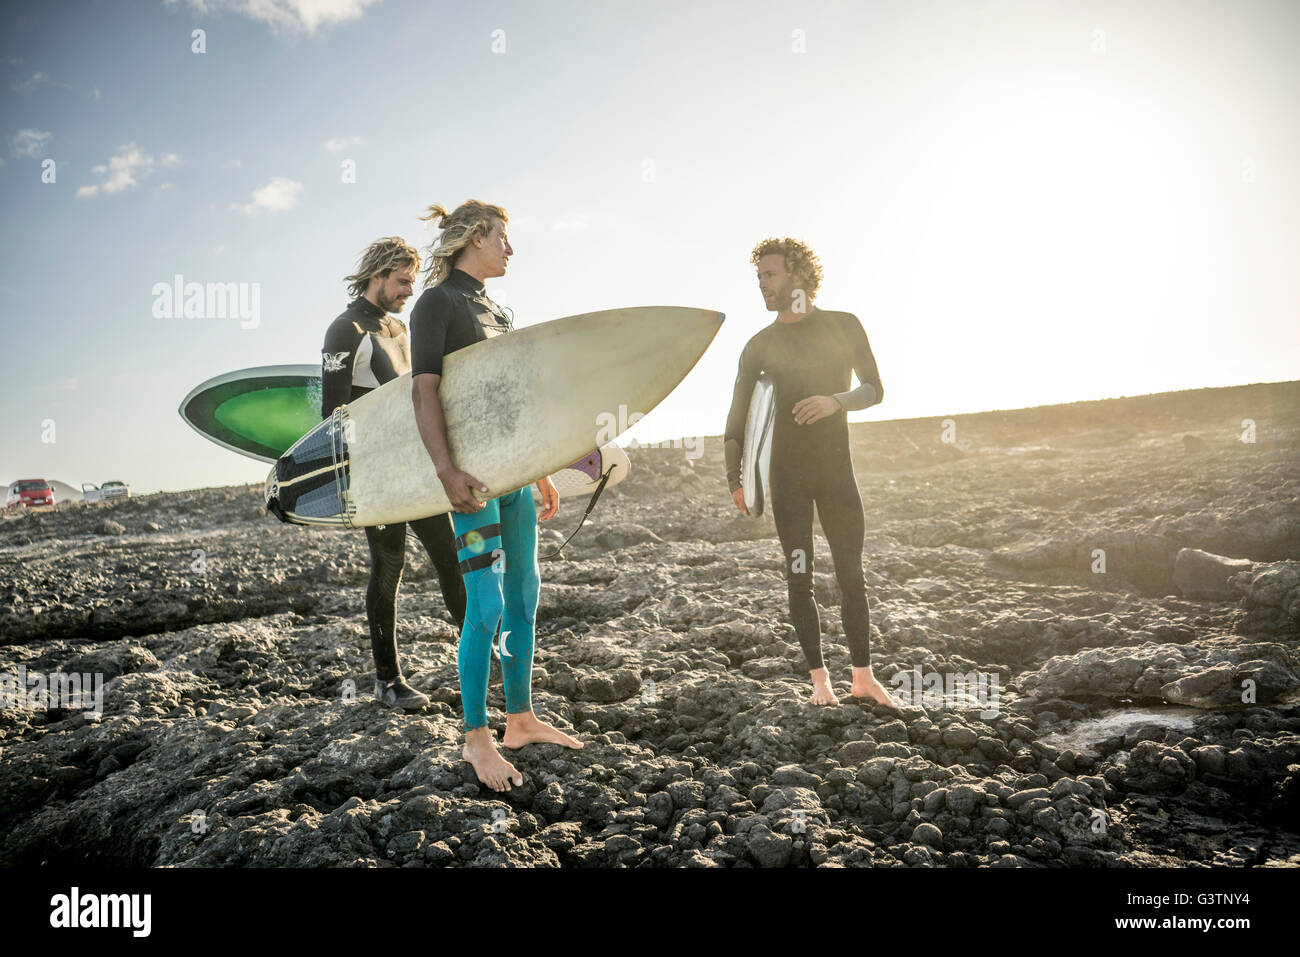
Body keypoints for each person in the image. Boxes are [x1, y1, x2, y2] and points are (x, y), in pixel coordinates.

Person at [409, 200, 584, 793]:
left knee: (523, 597)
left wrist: (538, 468)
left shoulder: (493, 308)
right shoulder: (436, 303)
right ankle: (476, 738)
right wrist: (445, 471)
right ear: (475, 237)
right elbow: (423, 391)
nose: (511, 249)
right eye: (503, 238)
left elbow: (511, 397)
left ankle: (521, 719)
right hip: (474, 482)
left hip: (512, 477)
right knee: (483, 607)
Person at [724, 237, 901, 710]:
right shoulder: (759, 345)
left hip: (837, 473)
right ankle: (819, 680)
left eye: (771, 275)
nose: (762, 285)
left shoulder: (843, 326)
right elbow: (737, 419)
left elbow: (875, 388)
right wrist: (735, 479)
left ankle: (862, 677)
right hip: (788, 480)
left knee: (851, 574)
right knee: (798, 575)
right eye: (759, 276)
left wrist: (834, 401)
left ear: (798, 276)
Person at [320, 237, 467, 711]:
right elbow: (331, 417)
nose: (409, 289)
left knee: (450, 555)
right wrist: (350, 483)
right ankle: (389, 681)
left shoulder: (399, 327)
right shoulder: (345, 330)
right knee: (390, 567)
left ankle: (483, 660)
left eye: (411, 281)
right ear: (377, 275)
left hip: (415, 465)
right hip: (377, 473)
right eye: (402, 281)